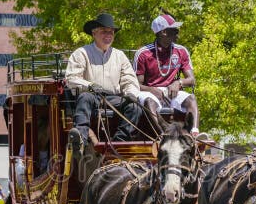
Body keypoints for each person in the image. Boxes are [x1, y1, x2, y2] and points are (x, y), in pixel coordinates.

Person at [66, 13, 142, 143]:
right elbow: (71, 78)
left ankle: (119, 141)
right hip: (91, 96)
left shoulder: (120, 56)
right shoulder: (81, 53)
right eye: (104, 32)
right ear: (94, 33)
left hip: (113, 98)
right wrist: (89, 86)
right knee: (84, 98)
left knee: (135, 107)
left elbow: (129, 79)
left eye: (111, 32)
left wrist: (131, 94)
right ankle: (80, 140)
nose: (108, 35)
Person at [134, 13, 204, 138]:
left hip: (172, 90)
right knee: (149, 101)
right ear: (163, 32)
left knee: (191, 98)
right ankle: (163, 136)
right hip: (150, 91)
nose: (178, 33)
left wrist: (178, 82)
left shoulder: (181, 51)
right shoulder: (143, 53)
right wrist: (153, 90)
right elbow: (135, 85)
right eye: (175, 30)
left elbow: (192, 80)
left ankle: (194, 134)